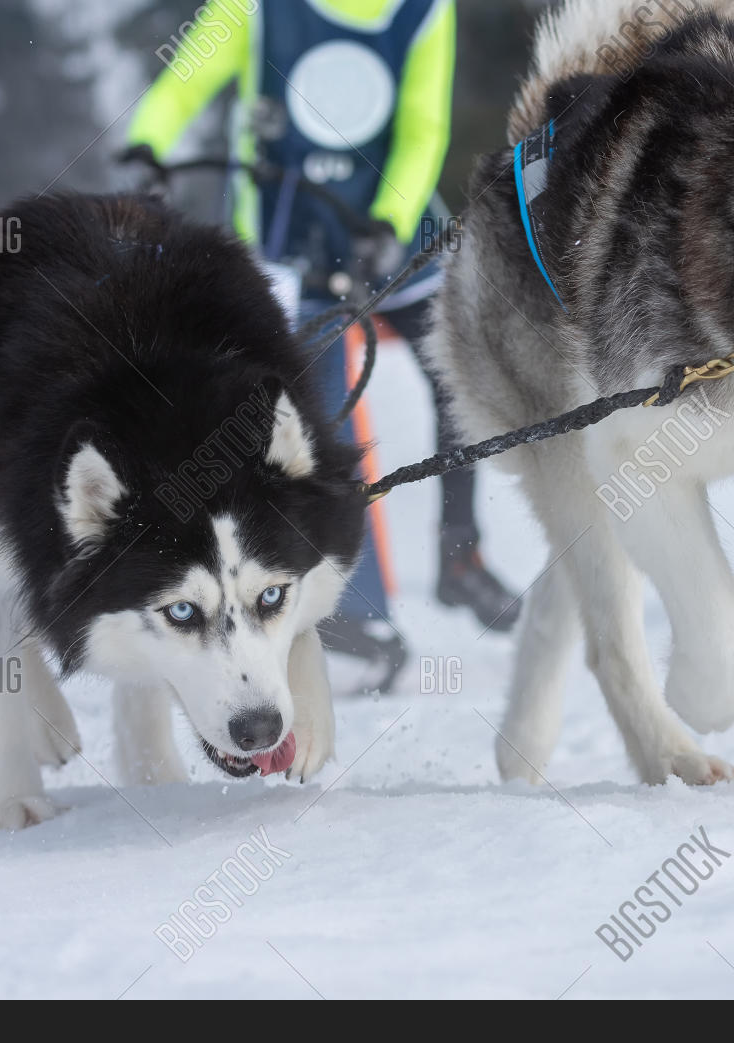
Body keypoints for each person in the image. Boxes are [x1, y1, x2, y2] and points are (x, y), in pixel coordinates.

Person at [126, 0, 521, 692]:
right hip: (282, 238)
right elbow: (186, 80)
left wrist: (389, 219)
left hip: (387, 227)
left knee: (460, 375)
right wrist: (148, 143)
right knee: (317, 415)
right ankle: (353, 612)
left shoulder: (424, 10)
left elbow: (422, 124)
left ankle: (461, 553)